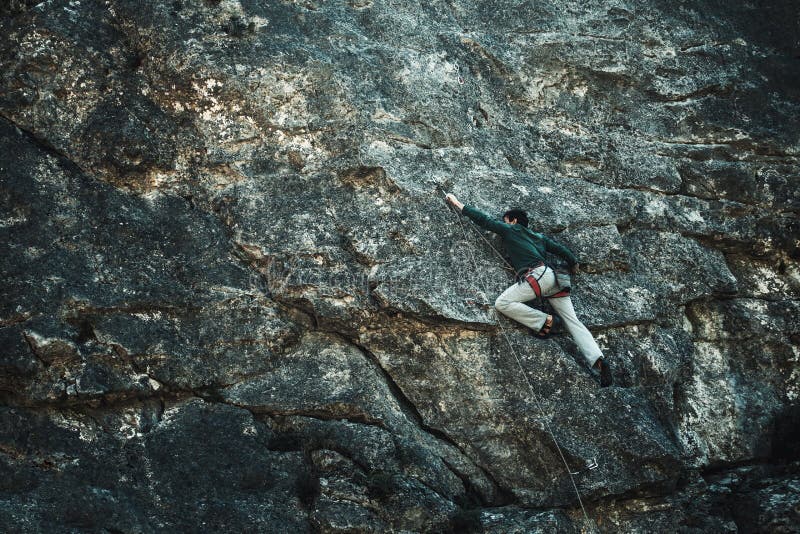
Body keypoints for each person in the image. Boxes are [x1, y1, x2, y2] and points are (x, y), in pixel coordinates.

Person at [445, 193, 613, 387]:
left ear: (514, 221)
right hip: (553, 279)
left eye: (506, 221)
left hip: (537, 275)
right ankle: (598, 360)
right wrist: (573, 263)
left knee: (502, 303)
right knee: (573, 322)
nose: (504, 224)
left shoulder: (512, 230)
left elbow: (484, 220)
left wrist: (457, 203)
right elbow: (561, 250)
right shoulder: (539, 237)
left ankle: (544, 320)